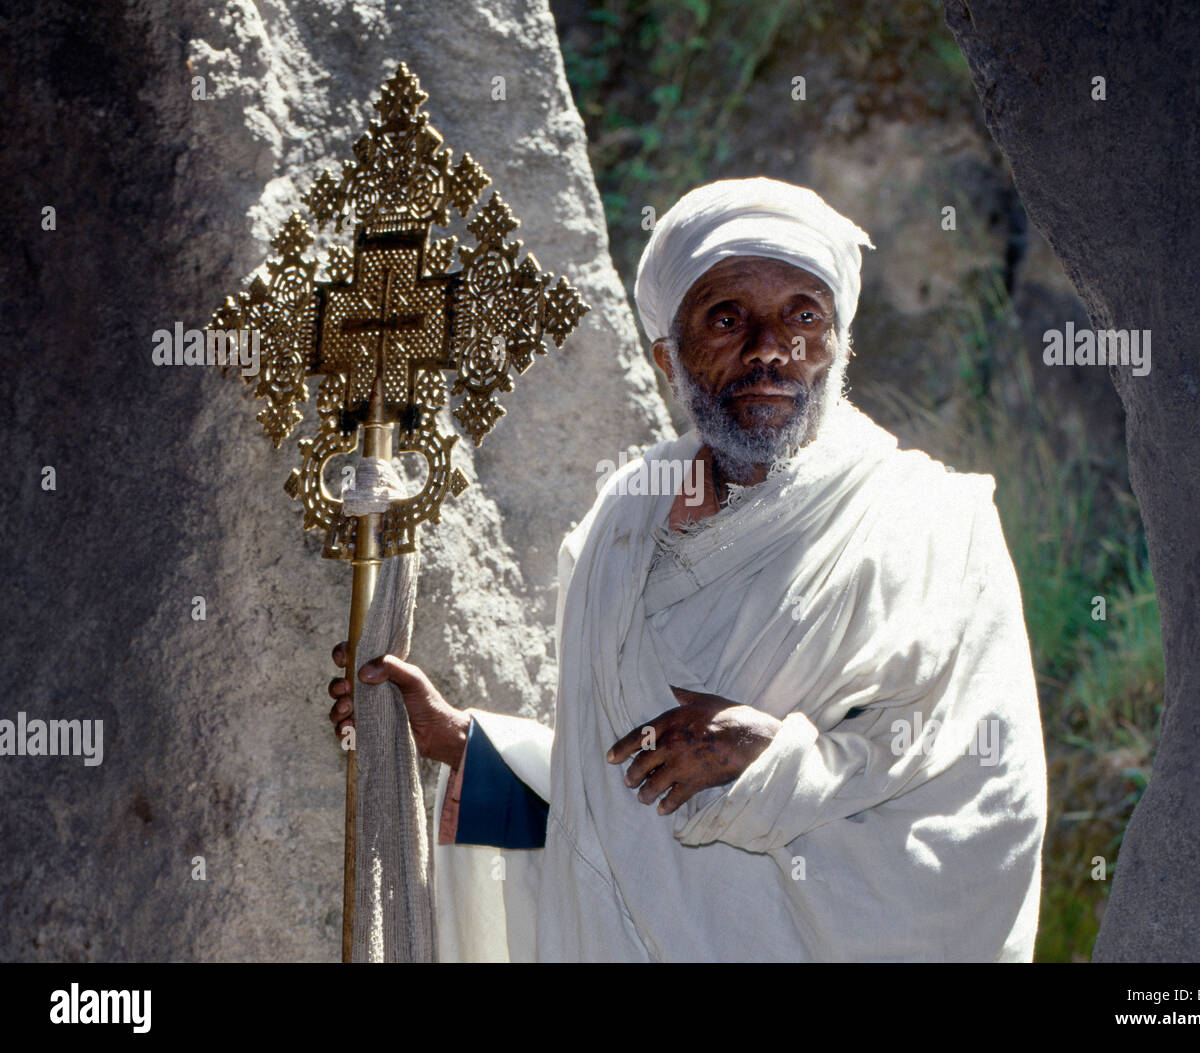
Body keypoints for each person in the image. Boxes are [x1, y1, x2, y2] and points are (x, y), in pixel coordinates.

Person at [328, 176, 1048, 962]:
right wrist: (469, 749)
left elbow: (986, 815)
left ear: (838, 343)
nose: (771, 346)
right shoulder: (621, 524)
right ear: (667, 354)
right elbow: (608, 818)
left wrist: (774, 763)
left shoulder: (932, 524)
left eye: (803, 314)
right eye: (727, 317)